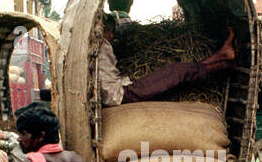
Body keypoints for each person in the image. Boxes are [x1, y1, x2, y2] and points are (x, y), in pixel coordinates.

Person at [96, 13, 235, 106]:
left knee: (179, 72)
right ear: (100, 30)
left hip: (123, 91)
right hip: (124, 95)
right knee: (177, 72)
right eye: (108, 31)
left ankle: (220, 56)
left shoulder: (97, 46)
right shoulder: (101, 44)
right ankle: (224, 64)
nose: (112, 36)